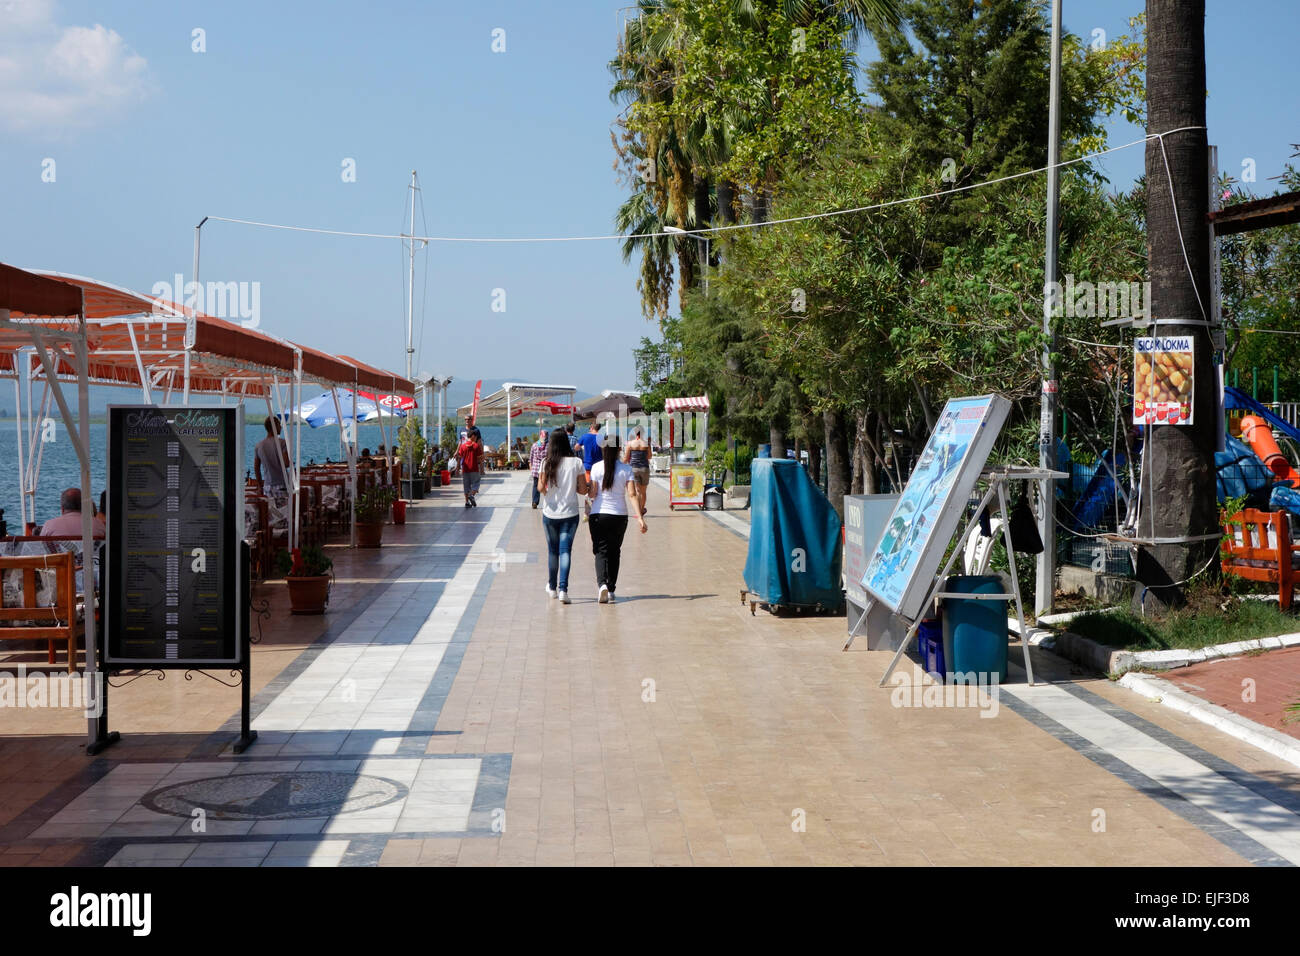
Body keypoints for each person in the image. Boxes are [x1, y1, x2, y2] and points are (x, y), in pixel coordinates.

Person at [587, 434, 647, 604]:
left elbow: (592, 494)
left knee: (600, 551)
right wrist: (640, 517)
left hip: (598, 514)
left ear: (603, 448)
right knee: (615, 552)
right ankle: (611, 589)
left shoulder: (596, 468)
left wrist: (587, 491)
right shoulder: (626, 469)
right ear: (619, 449)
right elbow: (632, 494)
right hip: (619, 516)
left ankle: (602, 585)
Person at [538, 428, 588, 603]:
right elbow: (583, 490)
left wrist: (549, 495)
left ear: (551, 444)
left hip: (550, 513)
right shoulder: (576, 463)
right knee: (565, 551)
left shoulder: (546, 462)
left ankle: (552, 587)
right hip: (570, 513)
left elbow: (540, 487)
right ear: (567, 443)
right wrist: (572, 487)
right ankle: (563, 590)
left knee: (553, 551)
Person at [254, 416, 289, 493]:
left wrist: (260, 486)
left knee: (270, 505)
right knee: (284, 505)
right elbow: (286, 464)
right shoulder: (282, 443)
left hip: (267, 487)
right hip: (282, 485)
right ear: (275, 426)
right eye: (279, 424)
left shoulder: (258, 446)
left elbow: (256, 469)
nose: (281, 427)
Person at [623, 426, 651, 517]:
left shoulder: (630, 443)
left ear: (635, 433)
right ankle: (642, 510)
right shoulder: (646, 443)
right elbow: (650, 456)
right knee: (643, 492)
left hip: (634, 468)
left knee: (638, 491)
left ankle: (639, 512)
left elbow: (626, 458)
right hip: (644, 468)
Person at [456, 426, 484, 508]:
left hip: (465, 469)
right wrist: (481, 465)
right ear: (473, 437)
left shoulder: (463, 446)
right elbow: (480, 457)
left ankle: (467, 502)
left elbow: (459, 457)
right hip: (474, 468)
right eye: (475, 437)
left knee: (466, 486)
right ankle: (472, 495)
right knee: (476, 483)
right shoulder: (476, 446)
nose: (476, 439)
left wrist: (457, 468)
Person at [528, 430, 549, 509]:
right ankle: (548, 500)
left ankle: (535, 501)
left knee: (535, 485)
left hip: (536, 469)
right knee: (547, 485)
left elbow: (531, 458)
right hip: (545, 468)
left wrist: (531, 467)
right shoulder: (549, 445)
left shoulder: (534, 445)